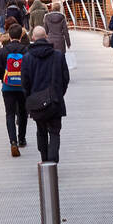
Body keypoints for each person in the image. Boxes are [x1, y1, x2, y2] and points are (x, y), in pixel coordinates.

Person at [21, 25, 70, 164]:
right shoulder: (58, 55)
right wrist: (59, 94)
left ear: (33, 38)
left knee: (41, 130)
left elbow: (25, 82)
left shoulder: (27, 58)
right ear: (46, 37)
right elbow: (65, 78)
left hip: (36, 102)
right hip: (55, 100)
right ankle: (52, 162)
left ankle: (44, 160)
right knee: (55, 132)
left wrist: (30, 98)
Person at [0, 21, 30, 156]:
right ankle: (22, 139)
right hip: (23, 88)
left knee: (9, 114)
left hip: (8, 87)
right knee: (23, 113)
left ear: (9, 36)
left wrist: (4, 78)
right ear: (21, 36)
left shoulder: (3, 51)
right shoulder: (27, 50)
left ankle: (13, 142)